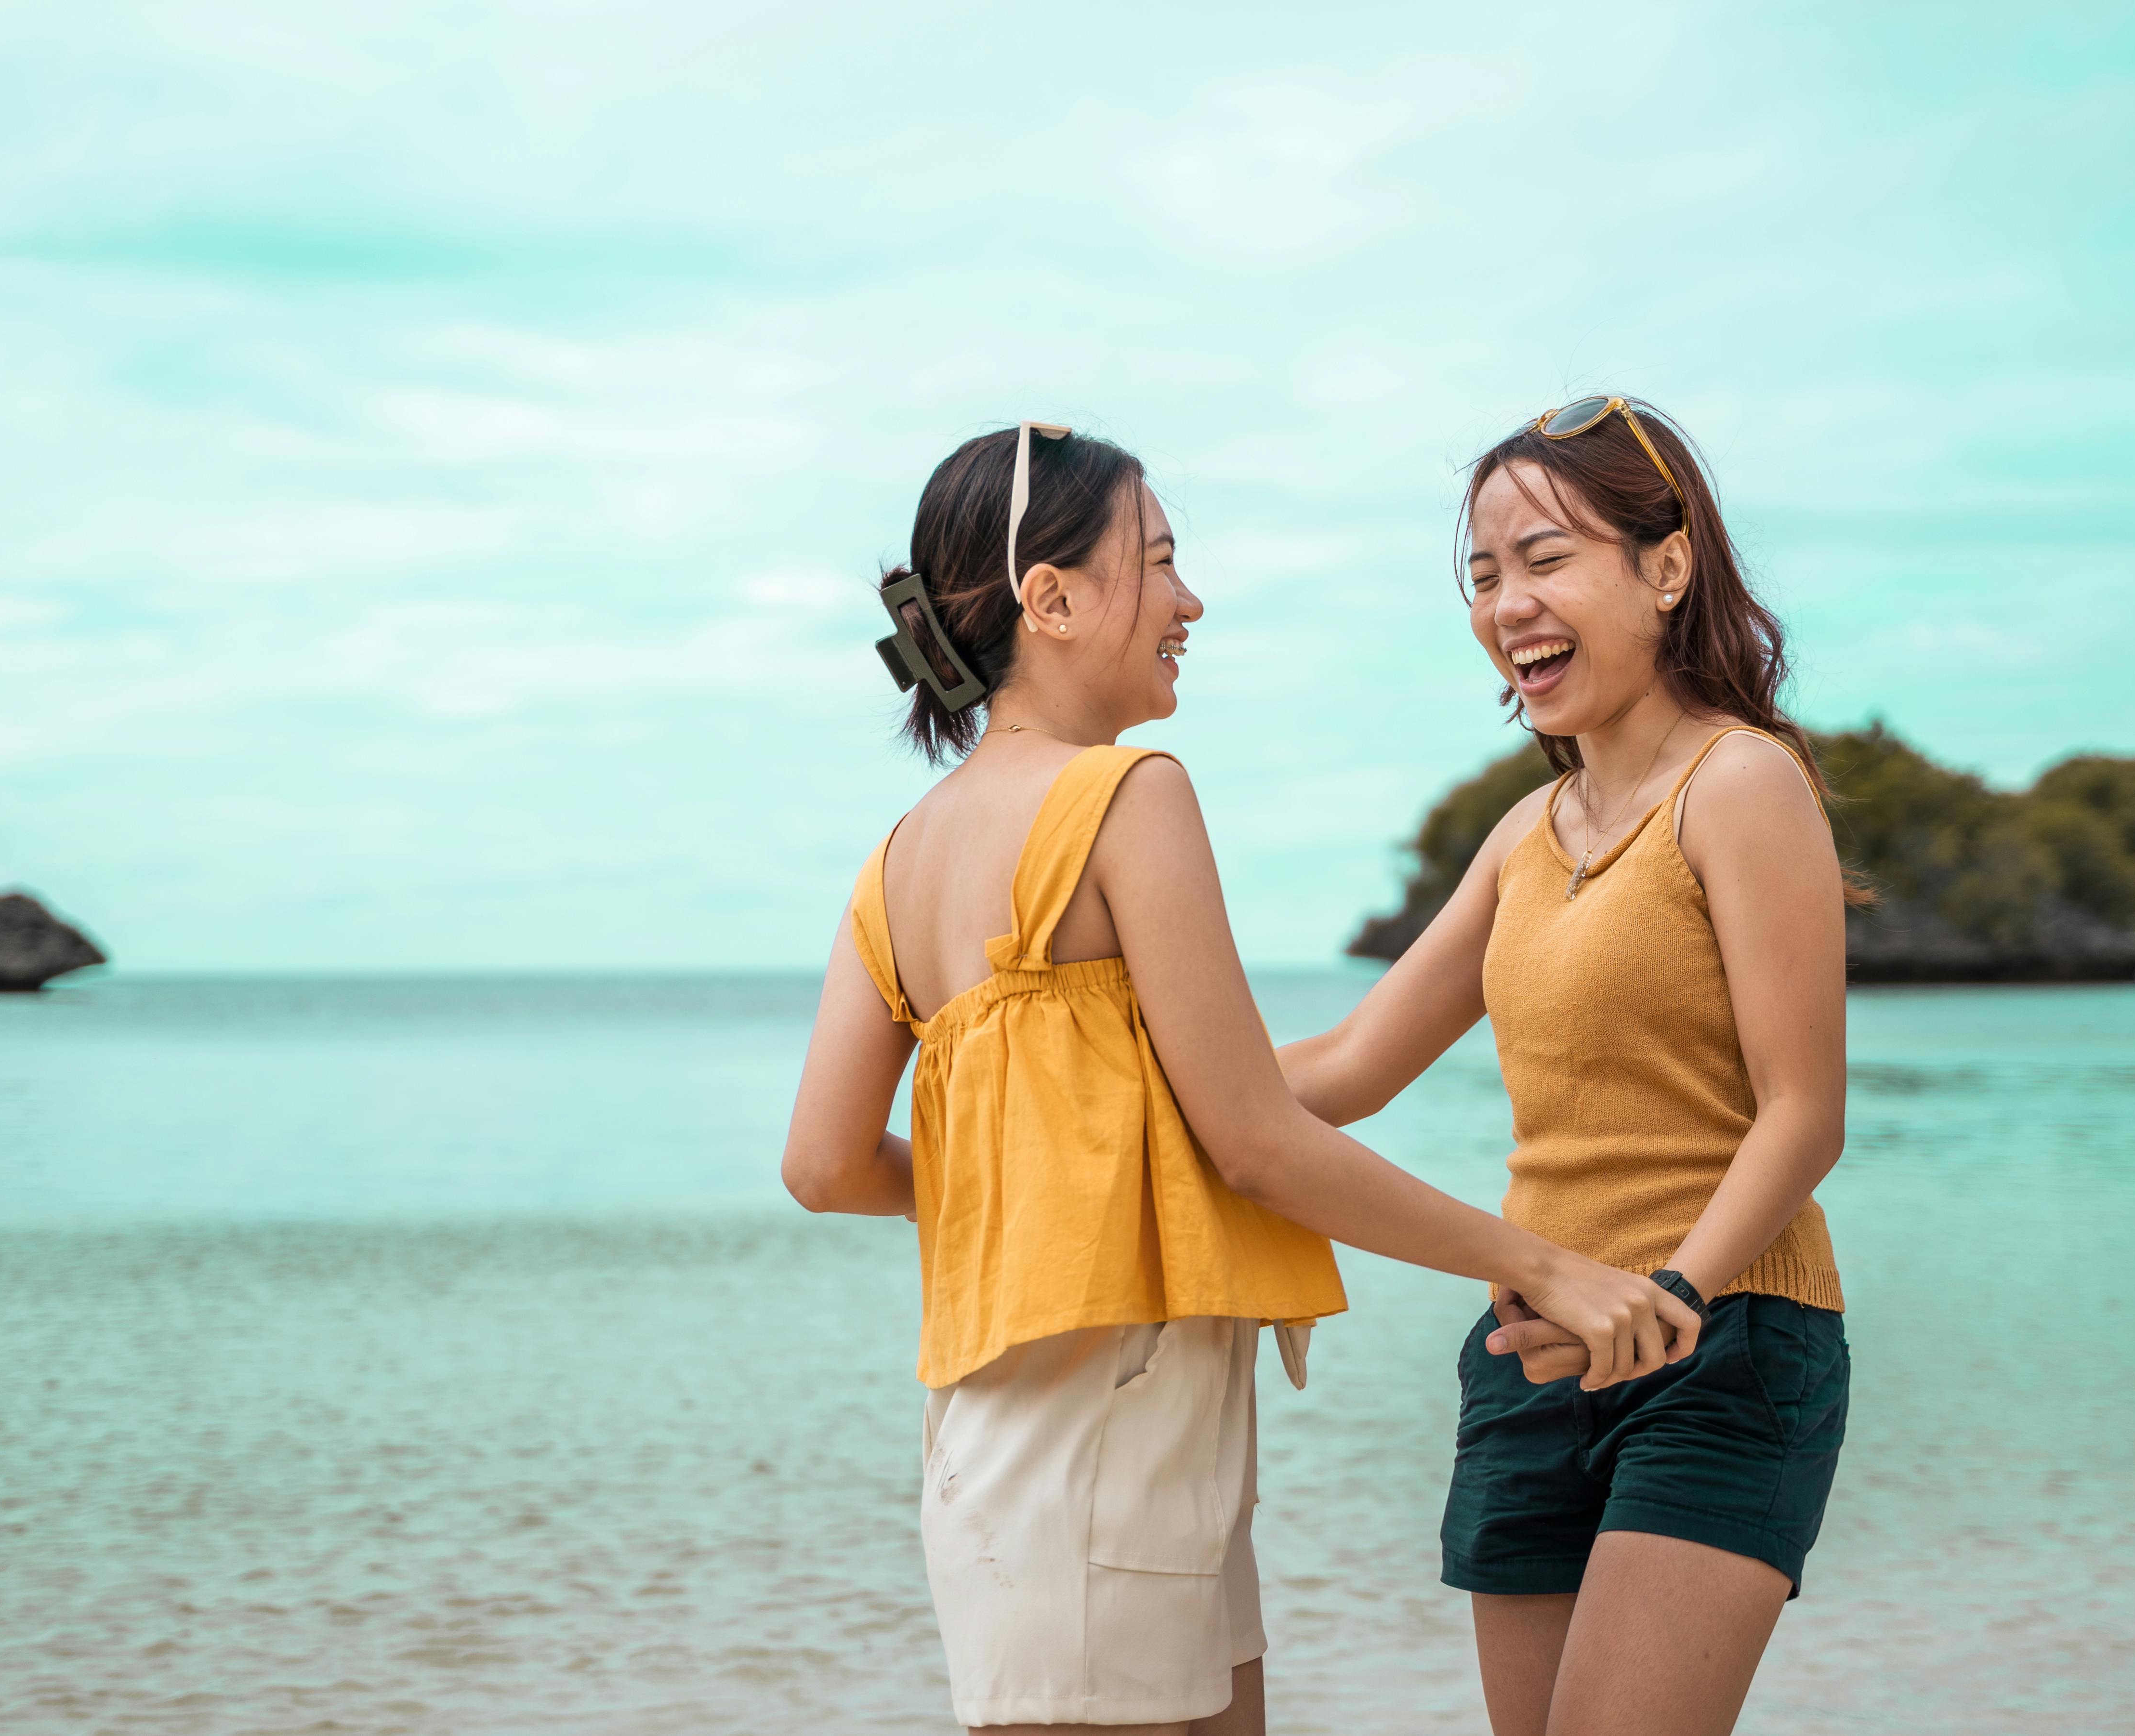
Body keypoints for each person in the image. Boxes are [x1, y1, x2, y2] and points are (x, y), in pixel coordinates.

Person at [781, 422, 1699, 1736]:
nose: (1188, 600)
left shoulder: (896, 861)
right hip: (1126, 1425)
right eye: (1157, 564)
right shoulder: (1125, 793)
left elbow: (823, 1165)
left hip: (989, 1444)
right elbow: (1255, 1139)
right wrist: (1545, 1264)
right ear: (1052, 600)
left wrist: (1043, 1177)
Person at [1280, 396, 1856, 1736]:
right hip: (1530, 1358)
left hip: (1725, 1343)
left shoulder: (1742, 784)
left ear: (1666, 569)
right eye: (1484, 575)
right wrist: (1128, 1083)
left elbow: (1805, 1112)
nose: (1508, 604)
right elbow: (1355, 1064)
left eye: (1545, 559)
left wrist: (1673, 1295)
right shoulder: (1524, 834)